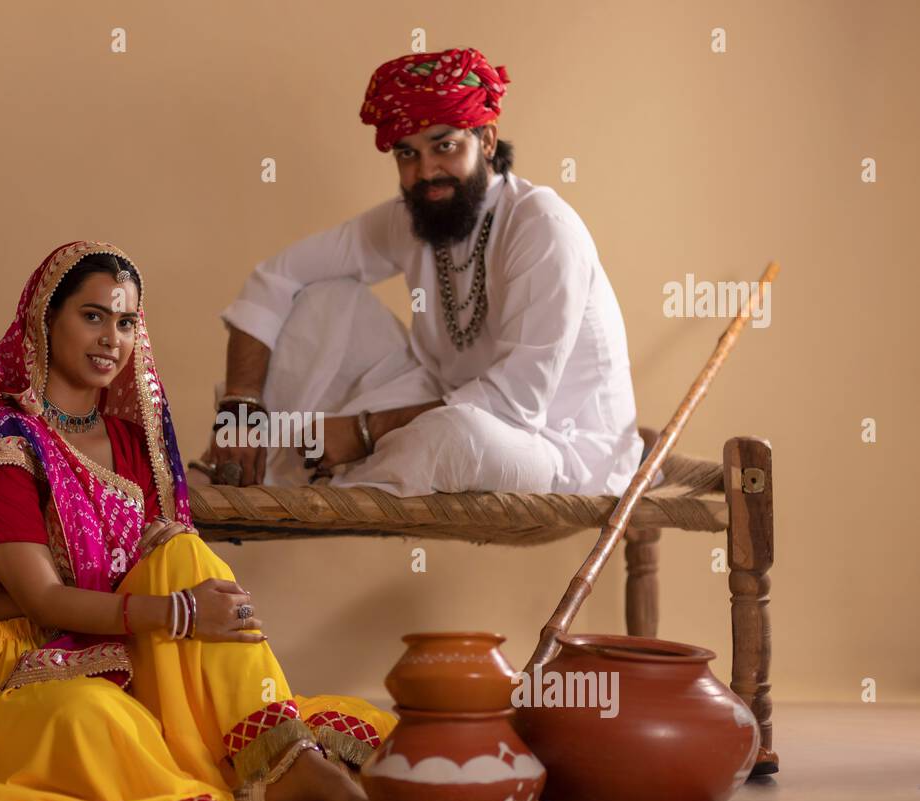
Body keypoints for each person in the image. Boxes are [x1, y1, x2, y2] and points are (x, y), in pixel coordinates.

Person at [0, 240, 396, 801]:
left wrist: (171, 566)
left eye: (126, 322)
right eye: (92, 315)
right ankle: (231, 756)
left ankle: (291, 762)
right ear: (45, 320)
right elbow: (43, 602)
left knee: (178, 549)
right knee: (97, 723)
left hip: (109, 642)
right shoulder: (7, 447)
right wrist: (181, 612)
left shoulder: (134, 443)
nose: (111, 338)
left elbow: (156, 564)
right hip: (4, 672)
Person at [196, 47, 644, 498]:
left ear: (487, 141)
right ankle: (248, 462)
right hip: (440, 399)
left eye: (444, 146)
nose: (426, 171)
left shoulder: (542, 225)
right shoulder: (413, 216)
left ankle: (309, 482)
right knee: (316, 301)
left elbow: (516, 406)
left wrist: (364, 431)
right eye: (407, 154)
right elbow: (277, 277)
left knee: (455, 435)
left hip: (557, 446)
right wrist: (240, 408)